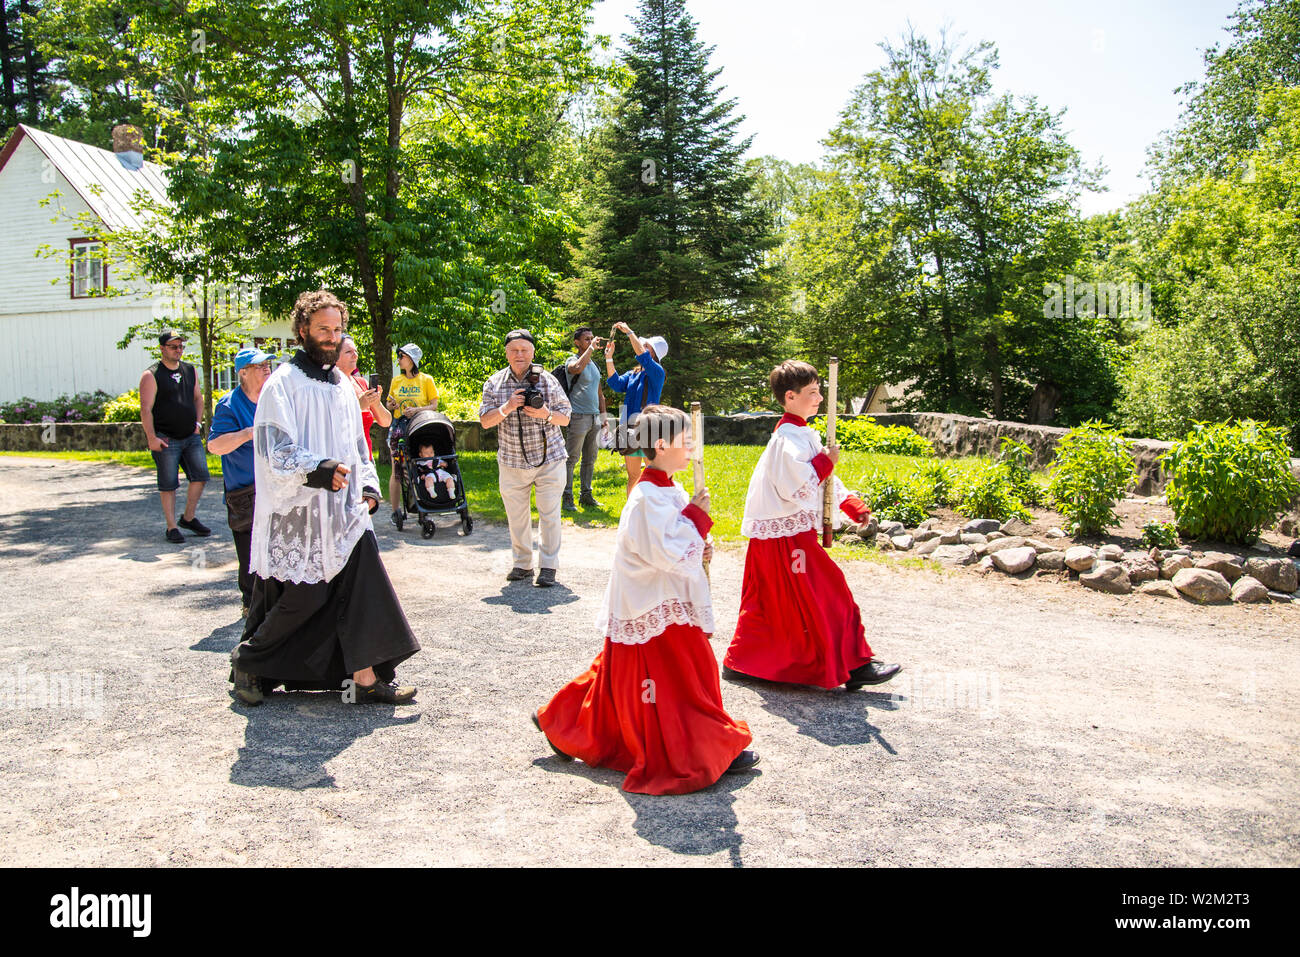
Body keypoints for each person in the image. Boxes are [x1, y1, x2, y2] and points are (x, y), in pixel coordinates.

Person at [533, 405, 758, 794]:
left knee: (620, 675)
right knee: (684, 673)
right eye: (684, 440)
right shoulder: (647, 496)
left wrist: (698, 544)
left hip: (667, 600)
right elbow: (664, 552)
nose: (691, 447)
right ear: (659, 444)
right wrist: (697, 523)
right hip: (651, 603)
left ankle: (562, 721)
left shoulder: (669, 487)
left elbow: (679, 539)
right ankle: (709, 744)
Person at [229, 290, 421, 707]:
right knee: (307, 596)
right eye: (323, 329)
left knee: (364, 587)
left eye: (338, 329)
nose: (332, 337)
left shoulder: (342, 384)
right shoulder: (284, 382)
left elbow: (357, 444)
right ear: (303, 331)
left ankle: (365, 678)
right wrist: (318, 469)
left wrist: (368, 485)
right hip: (300, 509)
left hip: (346, 510)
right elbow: (273, 448)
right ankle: (247, 659)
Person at [723, 360, 902, 691]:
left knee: (775, 601)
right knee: (829, 591)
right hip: (783, 538)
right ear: (790, 397)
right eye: (813, 392)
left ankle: (745, 660)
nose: (819, 399)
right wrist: (824, 461)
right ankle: (855, 664)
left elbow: (824, 479)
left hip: (787, 535)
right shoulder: (786, 439)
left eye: (820, 391)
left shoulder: (803, 433)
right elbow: (796, 484)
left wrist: (849, 503)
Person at [478, 329, 572, 587]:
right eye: (514, 350)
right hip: (512, 461)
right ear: (506, 353)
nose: (519, 354)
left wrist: (545, 414)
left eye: (525, 350)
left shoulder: (548, 381)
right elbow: (485, 421)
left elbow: (566, 417)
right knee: (516, 516)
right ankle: (522, 564)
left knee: (549, 514)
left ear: (532, 352)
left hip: (550, 459)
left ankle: (549, 566)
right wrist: (507, 407)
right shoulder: (494, 383)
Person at [206, 347, 273, 615]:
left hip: (274, 485)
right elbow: (214, 445)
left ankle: (273, 601)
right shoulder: (229, 405)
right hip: (244, 490)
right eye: (259, 366)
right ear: (243, 373)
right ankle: (250, 602)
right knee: (248, 550)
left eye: (268, 364)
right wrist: (247, 433)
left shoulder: (273, 399)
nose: (267, 368)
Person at [139, 329, 210, 543]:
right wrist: (151, 438)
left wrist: (198, 423)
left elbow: (198, 398)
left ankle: (188, 517)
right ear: (162, 348)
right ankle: (171, 527)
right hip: (166, 438)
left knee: (201, 475)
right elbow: (145, 409)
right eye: (173, 346)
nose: (178, 350)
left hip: (190, 435)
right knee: (168, 483)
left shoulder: (190, 370)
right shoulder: (152, 375)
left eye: (180, 346)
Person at [604, 322, 667, 497]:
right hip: (630, 430)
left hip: (649, 430)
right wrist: (609, 358)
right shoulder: (634, 374)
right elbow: (616, 384)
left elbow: (643, 357)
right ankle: (631, 515)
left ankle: (655, 512)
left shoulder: (657, 372)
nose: (641, 347)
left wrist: (630, 332)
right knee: (633, 476)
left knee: (653, 475)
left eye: (645, 345)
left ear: (652, 351)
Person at [385, 343, 439, 525]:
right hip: (399, 427)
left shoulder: (426, 380)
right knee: (397, 471)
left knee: (421, 466)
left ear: (412, 359)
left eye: (402, 356)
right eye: (398, 356)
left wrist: (417, 410)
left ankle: (425, 505)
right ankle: (396, 511)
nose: (399, 360)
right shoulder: (396, 381)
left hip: (419, 427)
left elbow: (434, 405)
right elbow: (389, 404)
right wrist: (391, 406)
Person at [561, 327, 609, 511]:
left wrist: (603, 416)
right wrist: (590, 350)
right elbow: (576, 369)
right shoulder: (572, 361)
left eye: (591, 338)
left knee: (590, 458)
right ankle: (567, 497)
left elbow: (600, 393)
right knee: (571, 458)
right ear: (577, 343)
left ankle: (586, 495)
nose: (590, 341)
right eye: (586, 339)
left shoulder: (594, 366)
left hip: (594, 417)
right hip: (577, 416)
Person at [336, 335, 391, 459]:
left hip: (366, 458)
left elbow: (386, 422)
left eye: (356, 351)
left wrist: (376, 403)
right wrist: (358, 406)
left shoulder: (362, 383)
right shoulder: (329, 386)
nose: (355, 355)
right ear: (334, 356)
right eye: (349, 352)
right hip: (343, 459)